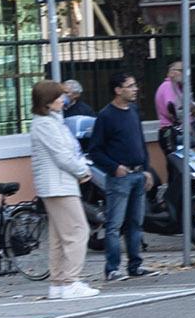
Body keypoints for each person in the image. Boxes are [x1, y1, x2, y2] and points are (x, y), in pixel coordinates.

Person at [28, 79, 99, 300]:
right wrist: (82, 171)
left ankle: (58, 283)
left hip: (57, 183)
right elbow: (62, 156)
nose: (63, 99)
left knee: (60, 236)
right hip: (58, 184)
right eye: (58, 96)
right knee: (78, 231)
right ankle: (71, 281)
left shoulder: (51, 121)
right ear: (47, 101)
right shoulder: (46, 125)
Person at [88, 72, 156, 280]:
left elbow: (140, 143)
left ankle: (135, 265)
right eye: (130, 85)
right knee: (115, 224)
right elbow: (95, 150)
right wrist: (113, 167)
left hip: (137, 174)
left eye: (135, 85)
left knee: (135, 223)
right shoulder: (106, 116)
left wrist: (147, 170)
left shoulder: (133, 111)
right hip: (120, 177)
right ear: (118, 90)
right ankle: (112, 268)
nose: (135, 89)